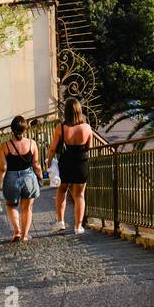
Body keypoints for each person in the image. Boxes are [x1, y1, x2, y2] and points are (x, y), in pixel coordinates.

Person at [48, 98, 93, 234]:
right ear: (79, 111)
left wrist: (49, 162)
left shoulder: (61, 127)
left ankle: (60, 222)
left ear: (66, 112)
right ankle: (78, 227)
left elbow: (53, 149)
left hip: (66, 162)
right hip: (81, 161)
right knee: (79, 195)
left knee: (62, 190)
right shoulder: (86, 127)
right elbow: (89, 146)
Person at [0, 116, 41, 242]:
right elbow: (36, 164)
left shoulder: (4, 146)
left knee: (11, 205)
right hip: (29, 178)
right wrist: (40, 176)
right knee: (27, 208)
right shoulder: (32, 143)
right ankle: (25, 236)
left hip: (11, 179)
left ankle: (17, 232)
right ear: (25, 129)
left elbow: (2, 168)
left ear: (12, 130)